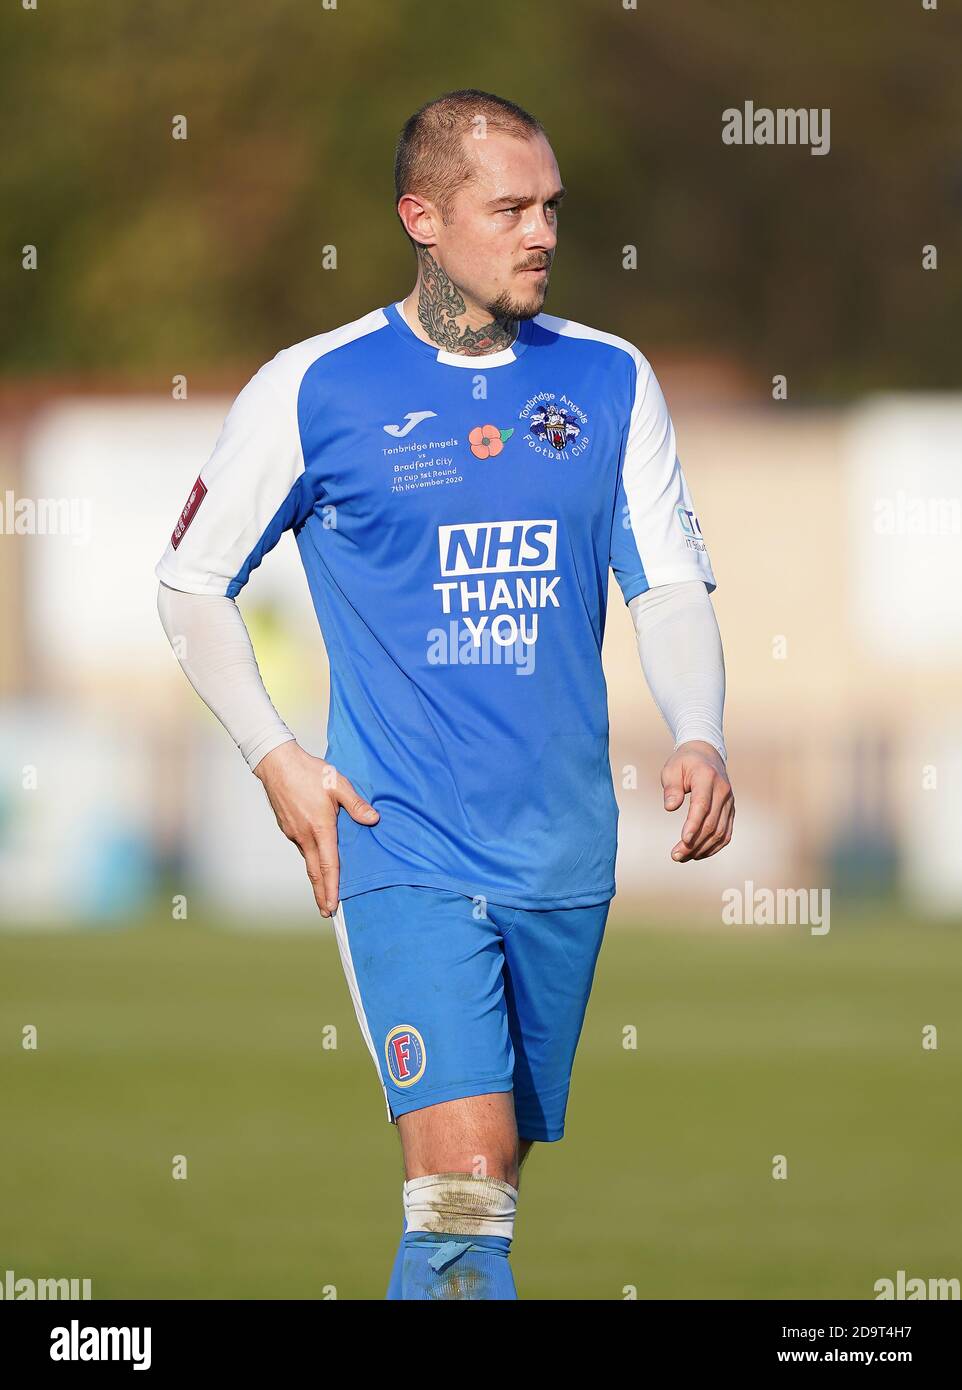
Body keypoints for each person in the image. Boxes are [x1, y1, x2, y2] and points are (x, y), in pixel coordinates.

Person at [155, 88, 733, 1300]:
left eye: (552, 209)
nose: (541, 234)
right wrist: (273, 755)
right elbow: (189, 585)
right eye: (509, 208)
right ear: (421, 216)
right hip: (401, 843)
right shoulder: (312, 389)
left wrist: (698, 730)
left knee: (486, 1198)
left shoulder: (609, 379)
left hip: (564, 852)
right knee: (461, 1192)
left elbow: (668, 583)